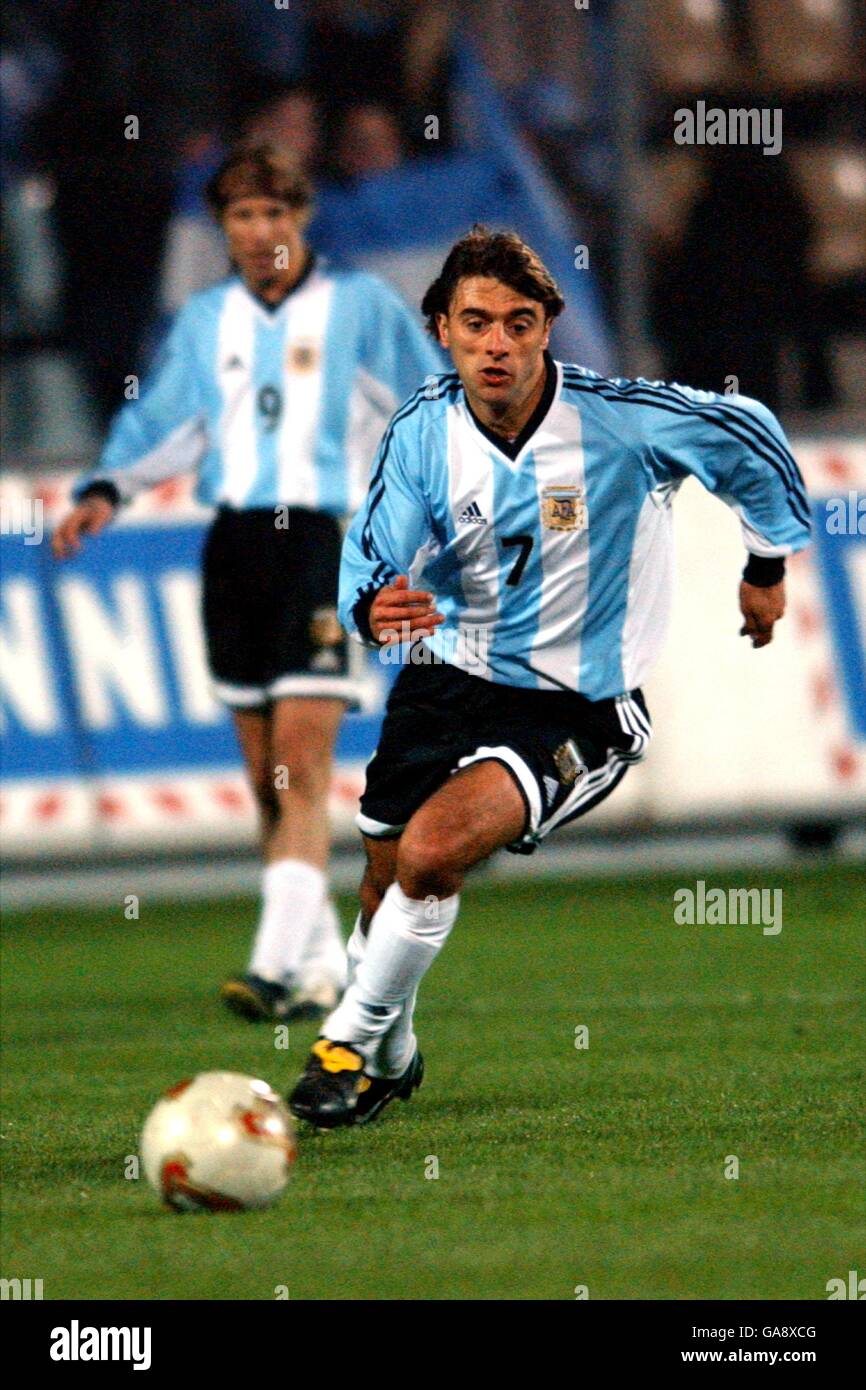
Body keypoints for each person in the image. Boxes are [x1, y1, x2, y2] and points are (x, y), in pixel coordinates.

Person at [287, 225, 812, 1127]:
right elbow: (374, 551)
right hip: (445, 681)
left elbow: (749, 433)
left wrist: (764, 566)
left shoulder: (621, 421)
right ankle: (393, 1057)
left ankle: (344, 1042)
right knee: (385, 885)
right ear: (442, 328)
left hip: (580, 704)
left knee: (430, 853)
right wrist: (373, 606)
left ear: (547, 328)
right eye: (477, 323)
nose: (498, 344)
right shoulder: (423, 430)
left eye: (519, 324)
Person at [52, 143, 443, 1024]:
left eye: (275, 213)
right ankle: (315, 967)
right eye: (242, 216)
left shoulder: (360, 309)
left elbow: (431, 411)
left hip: (321, 542)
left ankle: (271, 967)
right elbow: (166, 422)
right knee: (265, 771)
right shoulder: (206, 322)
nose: (260, 230)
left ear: (302, 218)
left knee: (302, 762)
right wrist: (105, 490)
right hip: (232, 548)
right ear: (224, 228)